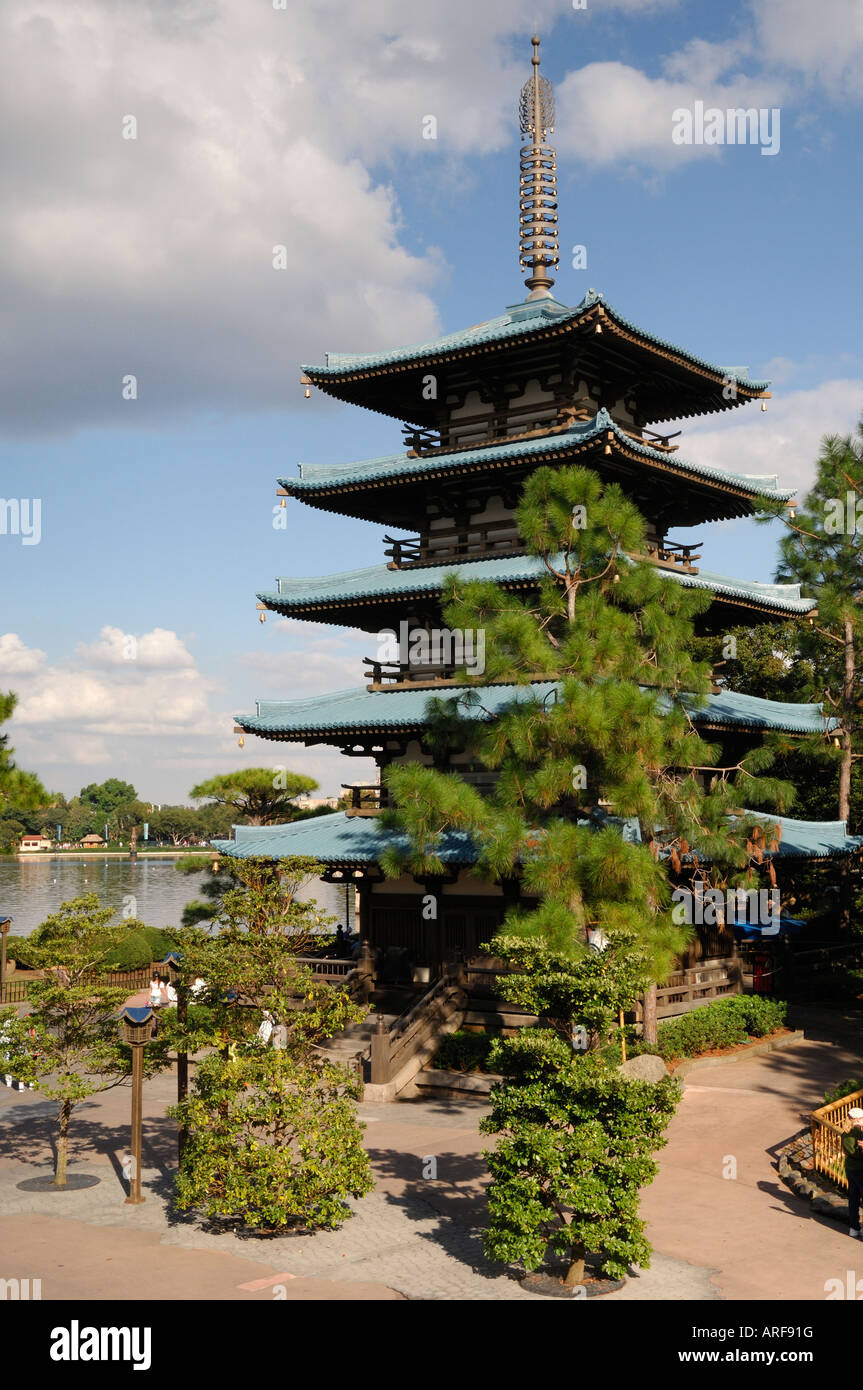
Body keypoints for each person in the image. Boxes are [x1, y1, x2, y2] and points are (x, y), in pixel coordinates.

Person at [842, 1106, 863, 1237]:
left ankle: (854, 1228)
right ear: (858, 1119)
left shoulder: (845, 1133)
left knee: (853, 1198)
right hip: (861, 1169)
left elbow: (846, 1150)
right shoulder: (860, 1134)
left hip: (850, 1167)